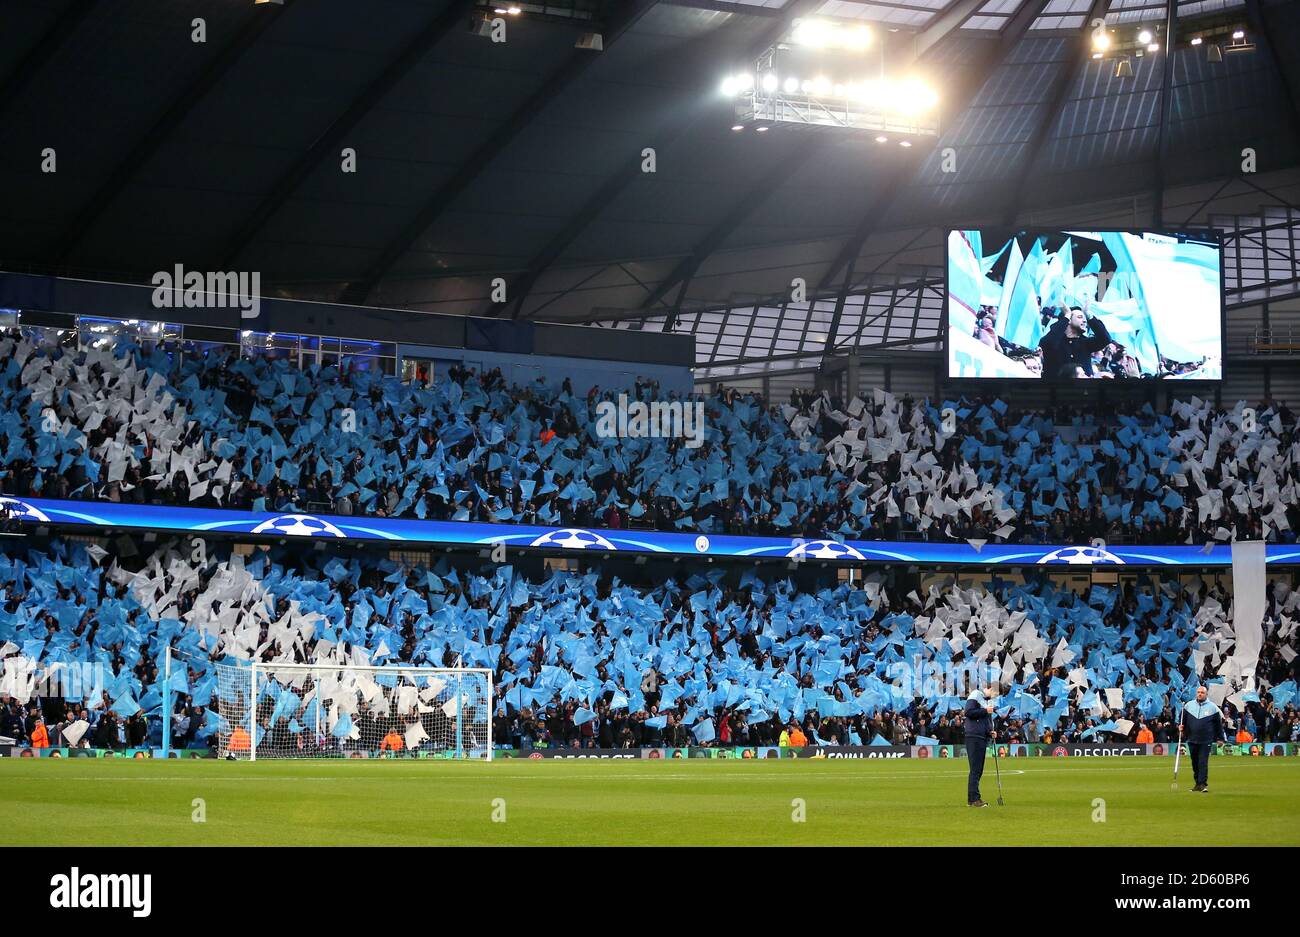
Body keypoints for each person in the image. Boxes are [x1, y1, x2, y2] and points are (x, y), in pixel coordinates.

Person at [1038, 306, 1113, 379]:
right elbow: (1047, 343)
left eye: (1085, 318)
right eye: (1080, 317)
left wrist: (1089, 316)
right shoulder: (1054, 340)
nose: (1084, 321)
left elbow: (1105, 339)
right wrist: (1067, 315)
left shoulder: (1086, 343)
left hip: (1084, 389)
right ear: (1068, 320)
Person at [1181, 686, 1227, 793]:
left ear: (1206, 694)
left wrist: (1220, 738)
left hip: (1206, 739)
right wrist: (1181, 727)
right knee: (1195, 762)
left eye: (1202, 692)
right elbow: (1182, 720)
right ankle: (1197, 783)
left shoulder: (1213, 707)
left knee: (1202, 762)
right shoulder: (1188, 706)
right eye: (1198, 692)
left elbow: (1218, 725)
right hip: (1192, 738)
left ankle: (1202, 784)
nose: (1200, 694)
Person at [963, 682, 999, 807]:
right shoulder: (976, 695)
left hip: (980, 736)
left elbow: (985, 722)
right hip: (974, 736)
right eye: (994, 692)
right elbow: (968, 712)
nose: (994, 695)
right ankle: (974, 799)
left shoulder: (986, 701)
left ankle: (972, 798)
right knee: (976, 769)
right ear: (989, 688)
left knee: (977, 769)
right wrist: (984, 711)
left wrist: (990, 732)